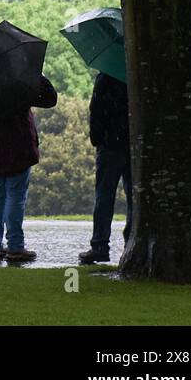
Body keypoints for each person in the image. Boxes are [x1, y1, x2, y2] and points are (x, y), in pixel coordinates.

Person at [0, 75, 58, 263]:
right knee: (15, 195)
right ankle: (15, 247)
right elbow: (49, 99)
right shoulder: (19, 81)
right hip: (17, 147)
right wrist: (39, 75)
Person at [79, 72, 133, 264]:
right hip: (134, 144)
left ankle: (100, 245)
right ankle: (132, 243)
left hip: (111, 144)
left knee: (104, 196)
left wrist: (97, 138)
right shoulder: (141, 75)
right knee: (134, 198)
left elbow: (97, 109)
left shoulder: (107, 77)